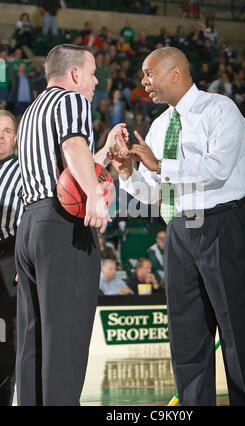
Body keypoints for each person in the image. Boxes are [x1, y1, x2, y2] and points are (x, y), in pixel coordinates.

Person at [109, 47, 245, 405]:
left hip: (222, 225)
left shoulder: (220, 109)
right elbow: (152, 195)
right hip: (180, 231)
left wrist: (157, 167)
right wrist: (127, 174)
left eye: (149, 73)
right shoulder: (159, 125)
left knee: (238, 333)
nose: (144, 82)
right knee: (186, 337)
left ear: (175, 73)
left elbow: (216, 170)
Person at [15, 44, 128, 406]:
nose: (97, 81)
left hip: (31, 224)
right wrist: (96, 194)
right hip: (63, 226)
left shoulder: (31, 111)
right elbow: (73, 145)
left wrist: (104, 155)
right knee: (66, 337)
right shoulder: (72, 101)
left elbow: (66, 171)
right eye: (93, 73)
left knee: (35, 337)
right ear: (75, 74)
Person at [0, 110, 24, 406]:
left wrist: (23, 258)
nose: (0, 136)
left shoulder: (22, 170)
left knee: (7, 340)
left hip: (9, 258)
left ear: (15, 139)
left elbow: (32, 217)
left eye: (7, 131)